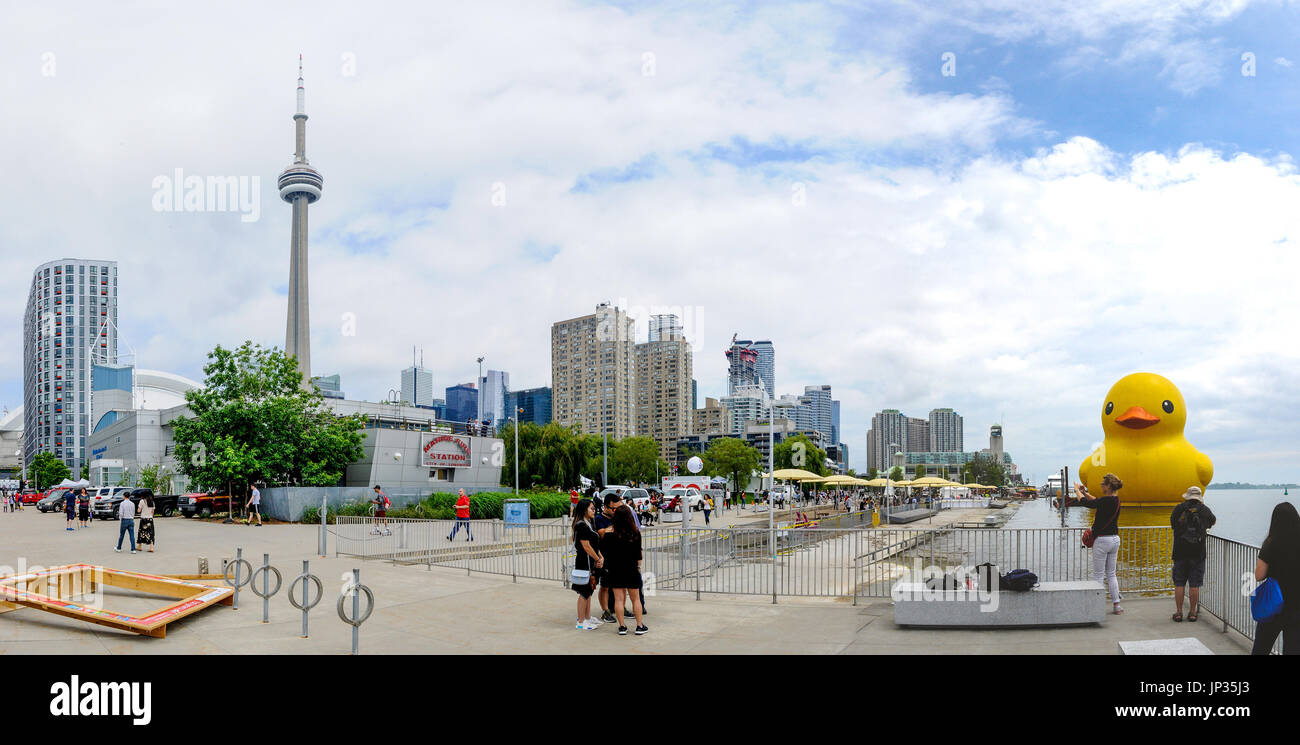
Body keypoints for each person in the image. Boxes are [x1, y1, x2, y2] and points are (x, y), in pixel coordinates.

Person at [1253, 502, 1300, 654]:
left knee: (1261, 648)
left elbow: (1259, 575)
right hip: (1297, 607)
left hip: (1274, 604)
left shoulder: (1271, 543)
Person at [1074, 474, 1123, 614]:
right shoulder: (1115, 500)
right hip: (1114, 539)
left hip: (1102, 541)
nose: (1101, 485)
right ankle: (1117, 606)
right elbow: (1095, 501)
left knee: (1098, 575)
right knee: (1111, 574)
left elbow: (1086, 503)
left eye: (1103, 483)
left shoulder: (1106, 501)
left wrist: (1077, 490)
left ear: (1108, 486)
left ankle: (1096, 607)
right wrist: (1084, 492)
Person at [1169, 486, 1216, 622]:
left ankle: (1178, 613)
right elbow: (1212, 521)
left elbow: (1172, 523)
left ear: (1187, 497)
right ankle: (1193, 613)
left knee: (1179, 583)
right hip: (1198, 553)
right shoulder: (1204, 510)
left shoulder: (1179, 508)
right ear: (1199, 498)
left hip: (1180, 552)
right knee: (1194, 584)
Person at [600, 504, 648, 635]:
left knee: (619, 600)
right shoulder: (635, 533)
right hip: (631, 569)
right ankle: (639, 626)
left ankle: (622, 627)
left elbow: (606, 553)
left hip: (615, 570)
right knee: (636, 599)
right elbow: (638, 554)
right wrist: (638, 566)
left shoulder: (608, 533)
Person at [571, 498, 603, 630]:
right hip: (585, 562)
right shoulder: (581, 525)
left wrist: (600, 557)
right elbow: (586, 546)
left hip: (592, 561)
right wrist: (597, 559)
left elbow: (594, 544)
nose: (594, 511)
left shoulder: (589, 523)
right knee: (584, 591)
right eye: (591, 508)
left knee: (590, 590)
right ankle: (581, 621)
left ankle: (588, 617)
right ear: (584, 510)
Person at [593, 493, 621, 623]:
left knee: (619, 584)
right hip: (603, 556)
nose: (616, 511)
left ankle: (619, 607)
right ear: (606, 507)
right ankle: (605, 611)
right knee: (604, 586)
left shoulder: (618, 517)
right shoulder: (598, 519)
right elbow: (601, 533)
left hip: (617, 555)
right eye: (614, 509)